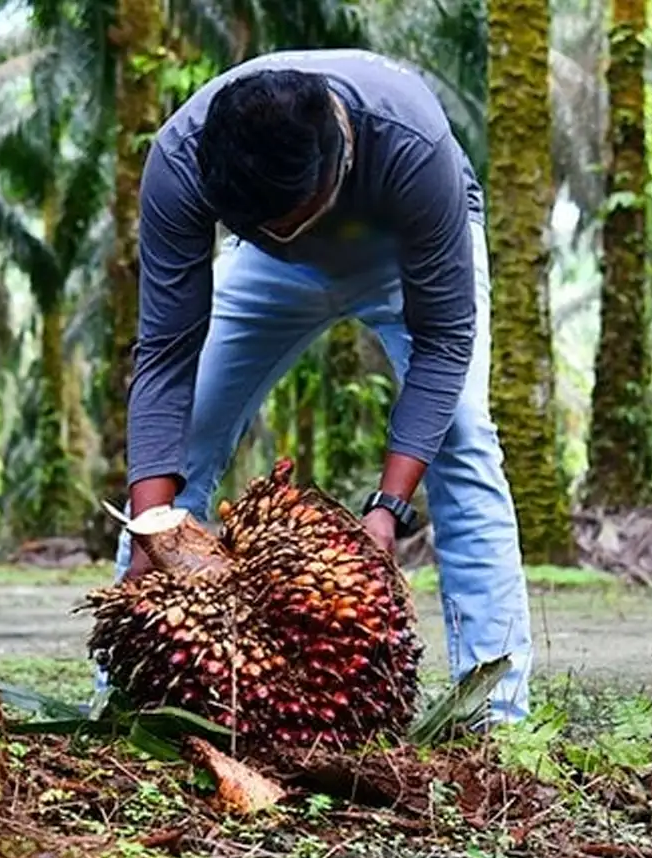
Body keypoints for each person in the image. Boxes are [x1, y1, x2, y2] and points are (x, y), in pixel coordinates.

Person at [104, 49, 533, 726]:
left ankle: (496, 717)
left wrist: (387, 509)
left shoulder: (413, 146)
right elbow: (165, 352)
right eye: (254, 225)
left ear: (339, 160)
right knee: (185, 439)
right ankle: (126, 698)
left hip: (405, 258)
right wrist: (149, 536)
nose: (278, 233)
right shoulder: (181, 161)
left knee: (465, 438)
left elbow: (447, 342)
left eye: (289, 218)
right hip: (272, 280)